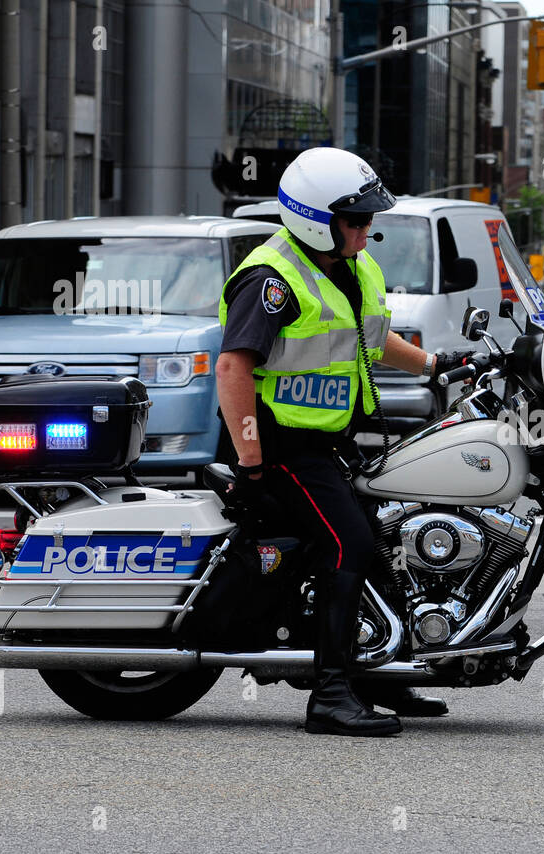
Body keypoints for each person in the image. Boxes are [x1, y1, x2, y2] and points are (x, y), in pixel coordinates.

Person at [217, 147, 469, 737]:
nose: (367, 227)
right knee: (345, 547)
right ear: (314, 219)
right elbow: (233, 369)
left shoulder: (352, 267)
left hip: (329, 442)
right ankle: (330, 696)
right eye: (356, 218)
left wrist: (437, 365)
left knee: (382, 536)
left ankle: (377, 673)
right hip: (281, 445)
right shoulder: (271, 278)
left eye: (368, 217)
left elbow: (372, 341)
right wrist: (251, 463)